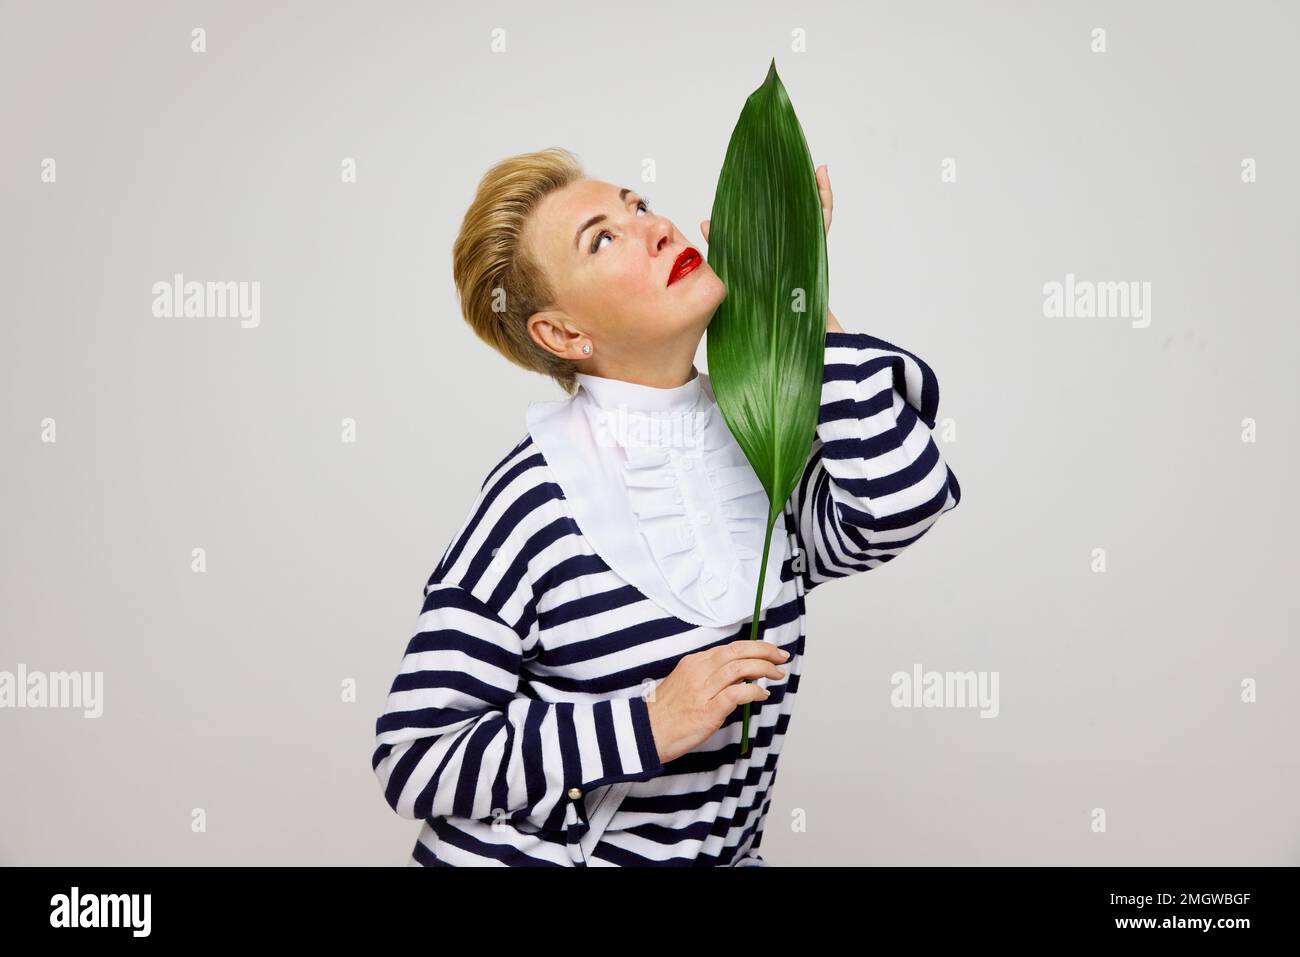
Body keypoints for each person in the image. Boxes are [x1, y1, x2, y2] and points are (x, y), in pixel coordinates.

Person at [371, 147, 962, 866]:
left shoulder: (759, 440)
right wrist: (648, 723)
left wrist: (794, 284)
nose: (653, 226)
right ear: (562, 334)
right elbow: (414, 756)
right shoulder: (535, 498)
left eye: (638, 205)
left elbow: (901, 501)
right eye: (603, 237)